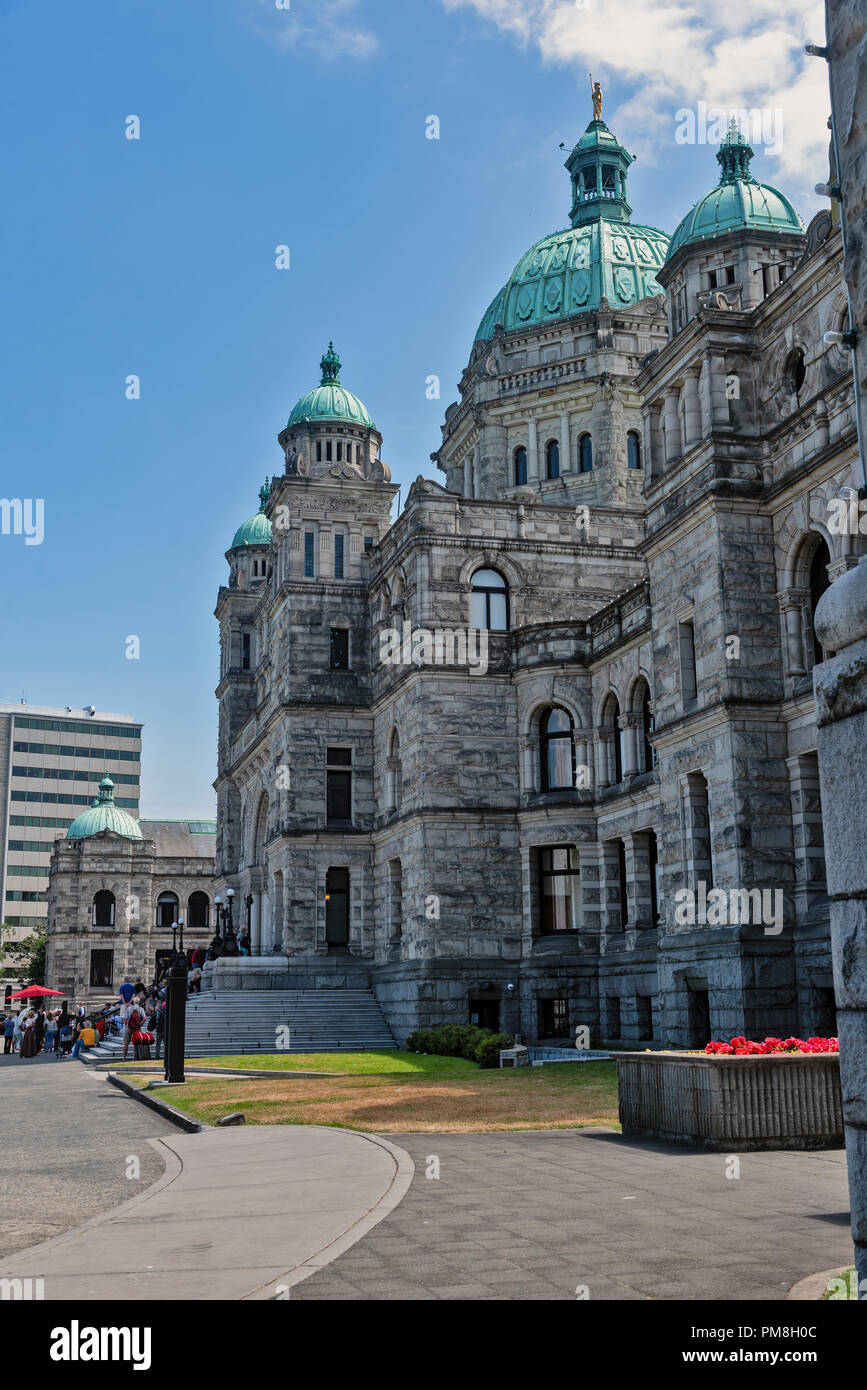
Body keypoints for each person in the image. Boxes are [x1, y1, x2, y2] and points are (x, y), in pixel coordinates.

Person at [122, 998, 147, 1062]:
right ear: (139, 1002)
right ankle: (134, 1057)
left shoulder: (129, 1008)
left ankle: (124, 1057)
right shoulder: (141, 1009)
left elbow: (125, 1018)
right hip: (137, 1028)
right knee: (136, 1043)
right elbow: (144, 1018)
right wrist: (140, 1024)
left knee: (126, 1043)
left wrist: (126, 1025)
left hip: (129, 1027)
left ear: (133, 1001)